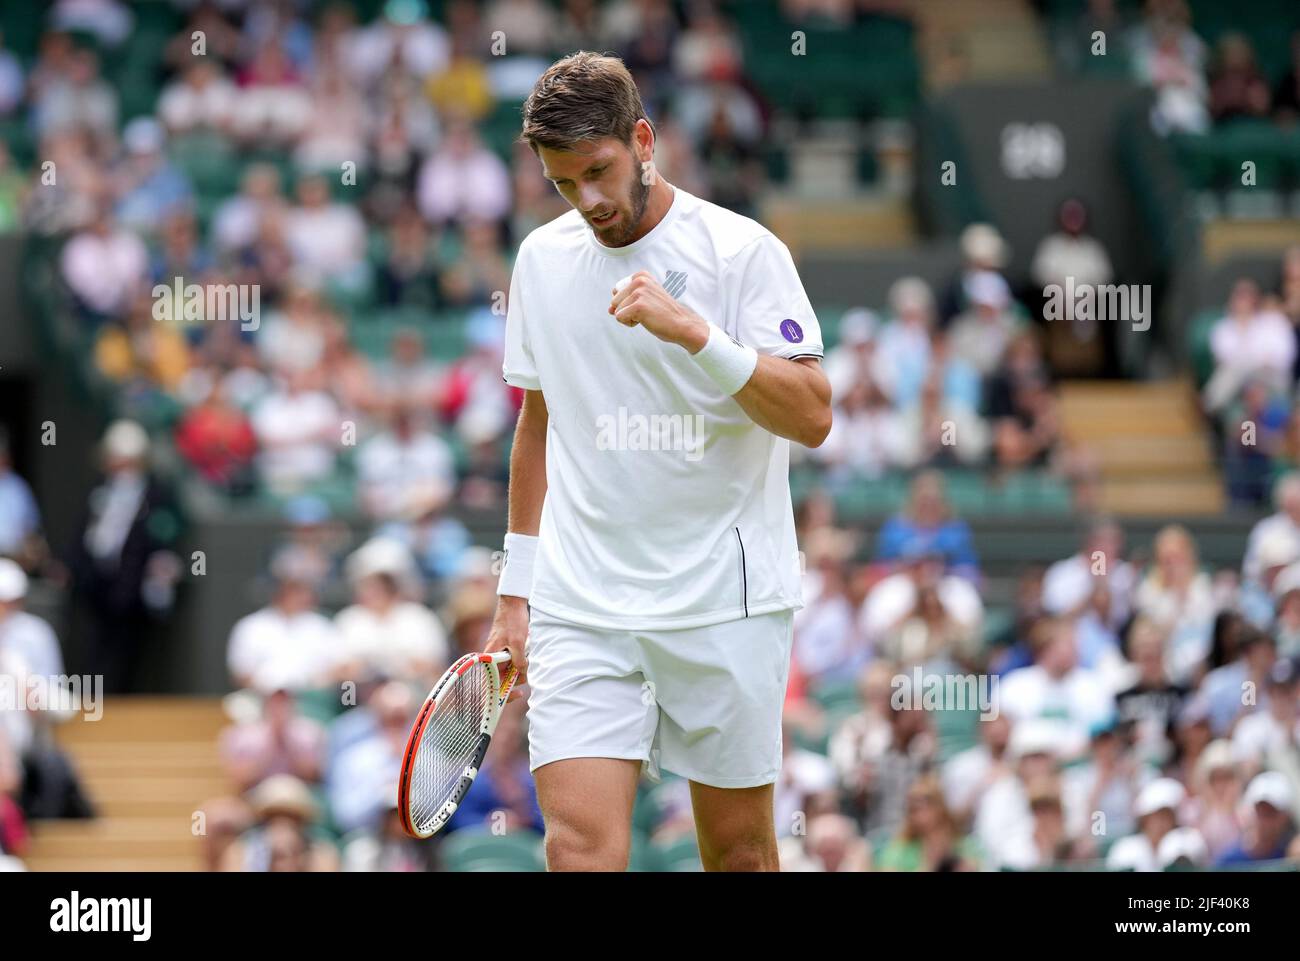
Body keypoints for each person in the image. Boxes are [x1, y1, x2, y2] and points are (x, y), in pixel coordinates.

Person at [488, 53, 831, 872]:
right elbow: (538, 421)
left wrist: (695, 334)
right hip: (583, 603)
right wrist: (515, 592)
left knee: (740, 852)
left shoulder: (743, 252)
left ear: (642, 140)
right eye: (564, 183)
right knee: (576, 847)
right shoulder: (540, 259)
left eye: (599, 171)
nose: (589, 201)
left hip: (725, 597)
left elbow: (814, 415)